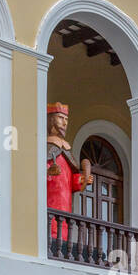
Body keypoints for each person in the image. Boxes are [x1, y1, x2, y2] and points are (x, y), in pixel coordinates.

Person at [46, 102, 91, 249]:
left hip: (65, 201)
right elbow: (33, 174)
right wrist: (47, 173)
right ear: (51, 119)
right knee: (51, 225)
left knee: (64, 225)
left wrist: (81, 180)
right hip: (49, 199)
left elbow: (70, 179)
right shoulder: (46, 146)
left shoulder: (66, 149)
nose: (64, 123)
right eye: (60, 118)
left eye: (66, 119)